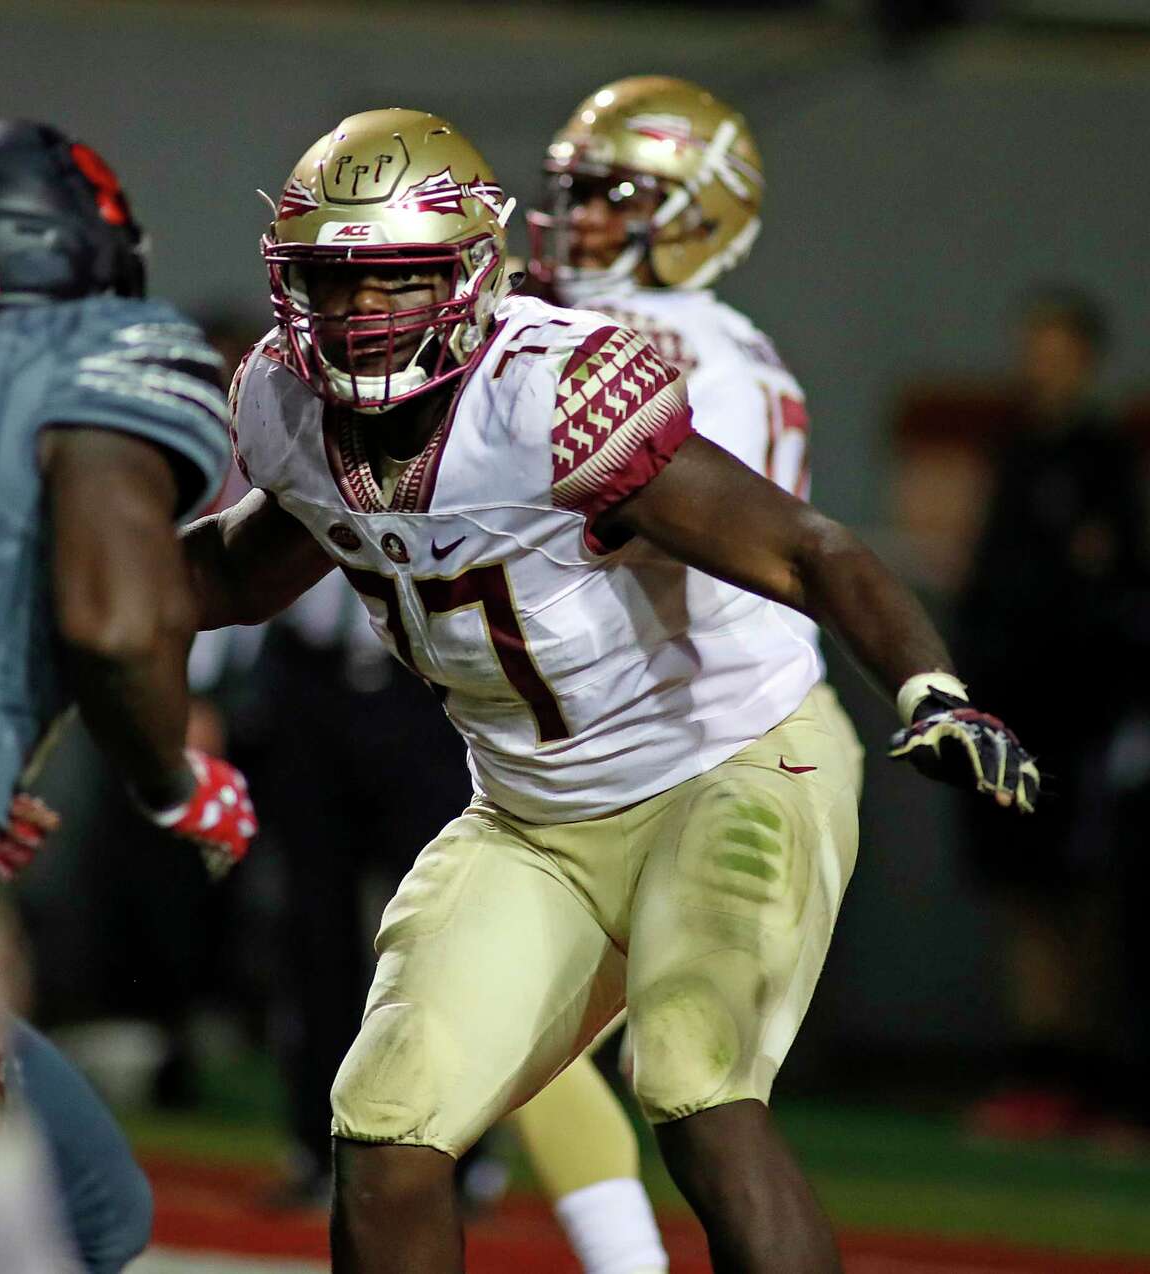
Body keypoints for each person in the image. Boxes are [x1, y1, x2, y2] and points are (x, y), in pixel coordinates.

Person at [183, 108, 1037, 1274]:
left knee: (695, 1079)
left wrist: (930, 685)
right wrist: (69, 592)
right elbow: (239, 568)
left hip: (723, 762)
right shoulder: (287, 402)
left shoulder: (550, 389)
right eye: (330, 282)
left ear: (471, 273)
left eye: (394, 279)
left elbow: (807, 547)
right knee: (386, 1120)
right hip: (530, 812)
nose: (357, 313)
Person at [514, 75, 869, 1273]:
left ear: (702, 214)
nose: (584, 219)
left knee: (690, 1078)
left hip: (713, 734)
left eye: (617, 195)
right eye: (577, 192)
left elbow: (646, 531)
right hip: (621, 730)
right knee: (510, 1027)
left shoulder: (676, 350)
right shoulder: (676, 341)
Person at [0, 117, 258, 1271]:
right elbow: (113, 620)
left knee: (87, 1192)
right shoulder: (97, 346)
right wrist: (173, 777)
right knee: (70, 1212)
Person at [955, 287, 1148, 1137]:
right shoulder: (1014, 453)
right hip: (1009, 708)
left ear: (1085, 355)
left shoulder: (1105, 457)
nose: (1039, 358)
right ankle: (1038, 1065)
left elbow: (1115, 581)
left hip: (1085, 713)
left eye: (1055, 343)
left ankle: (1096, 1073)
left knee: (1087, 892)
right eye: (1031, 341)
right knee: (1022, 891)